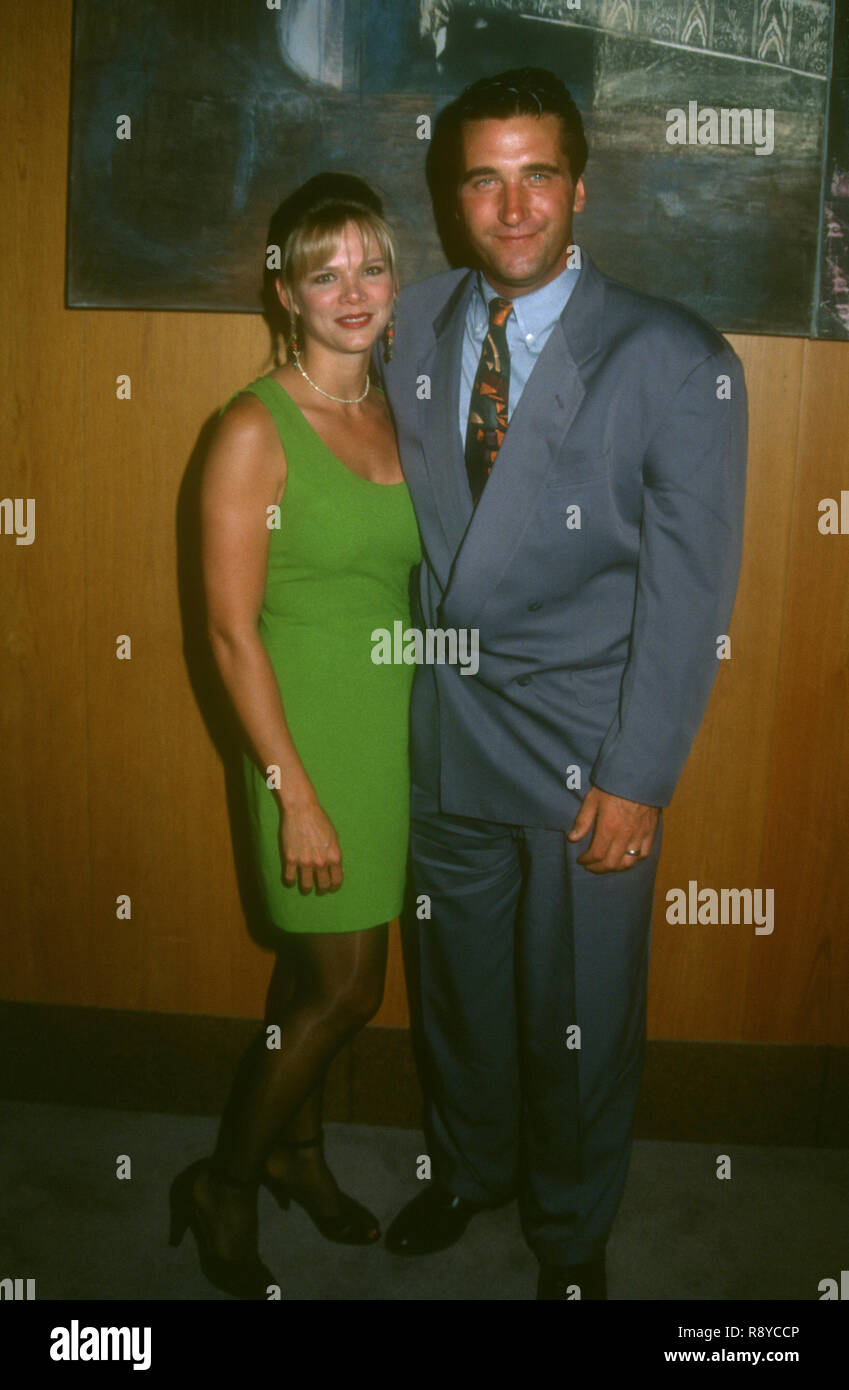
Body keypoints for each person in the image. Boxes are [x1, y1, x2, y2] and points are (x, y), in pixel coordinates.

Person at [376, 68, 748, 1299]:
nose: (514, 204)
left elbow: (686, 601)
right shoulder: (413, 326)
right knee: (459, 992)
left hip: (594, 748)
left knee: (579, 1012)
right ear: (453, 195)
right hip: (449, 732)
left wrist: (641, 778)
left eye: (540, 173)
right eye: (485, 176)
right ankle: (471, 1167)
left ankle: (572, 1228)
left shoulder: (675, 356)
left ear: (581, 185)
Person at [169, 173, 421, 1298]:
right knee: (349, 985)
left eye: (370, 265)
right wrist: (296, 794)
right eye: (326, 272)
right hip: (299, 739)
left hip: (388, 727)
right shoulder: (249, 430)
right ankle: (225, 1178)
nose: (352, 290)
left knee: (307, 979)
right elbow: (228, 635)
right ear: (286, 292)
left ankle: (299, 1155)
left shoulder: (398, 408)